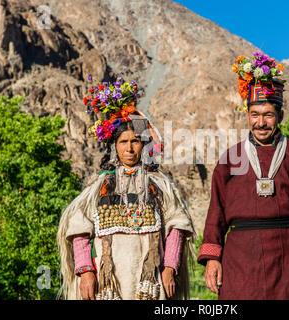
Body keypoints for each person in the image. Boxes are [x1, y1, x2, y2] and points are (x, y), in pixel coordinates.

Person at [197, 52, 289, 300]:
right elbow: (216, 211)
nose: (261, 123)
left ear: (280, 116)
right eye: (255, 115)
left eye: (268, 115)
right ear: (247, 116)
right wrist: (213, 259)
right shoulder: (230, 159)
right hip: (240, 260)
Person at [57, 77, 194, 300]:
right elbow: (79, 231)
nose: (129, 148)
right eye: (123, 142)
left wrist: (170, 268)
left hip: (151, 282)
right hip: (108, 284)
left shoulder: (160, 187)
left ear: (143, 145)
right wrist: (86, 272)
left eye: (135, 141)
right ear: (114, 146)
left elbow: (177, 226)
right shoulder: (98, 188)